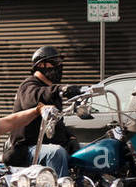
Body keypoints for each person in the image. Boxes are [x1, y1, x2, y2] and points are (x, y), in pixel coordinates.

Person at [8, 46, 87, 177]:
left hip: (45, 145)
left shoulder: (49, 90)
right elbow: (33, 100)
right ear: (41, 65)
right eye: (55, 62)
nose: (59, 66)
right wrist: (62, 89)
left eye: (60, 63)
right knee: (56, 152)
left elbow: (57, 122)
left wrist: (71, 137)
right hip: (26, 149)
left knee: (88, 151)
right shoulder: (28, 86)